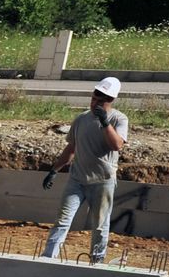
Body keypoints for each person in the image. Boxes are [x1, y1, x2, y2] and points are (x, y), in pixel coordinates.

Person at [43, 76, 129, 264]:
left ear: (110, 100)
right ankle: (48, 258)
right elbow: (71, 148)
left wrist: (105, 123)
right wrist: (55, 170)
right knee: (62, 220)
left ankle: (96, 261)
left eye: (100, 101)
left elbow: (117, 145)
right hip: (77, 180)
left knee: (100, 225)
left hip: (103, 182)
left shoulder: (119, 119)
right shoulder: (81, 119)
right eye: (93, 99)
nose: (95, 103)